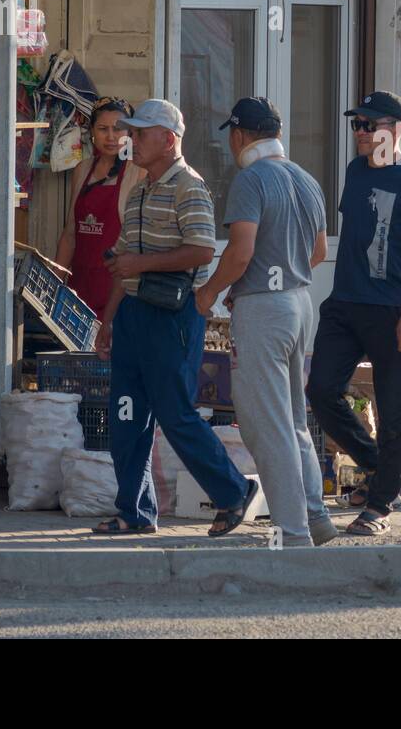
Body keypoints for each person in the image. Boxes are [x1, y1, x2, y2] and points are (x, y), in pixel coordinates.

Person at [93, 99, 256, 537]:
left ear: (167, 139)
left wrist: (138, 266)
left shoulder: (189, 186)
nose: (131, 140)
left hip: (173, 318)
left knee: (175, 414)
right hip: (132, 316)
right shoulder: (140, 188)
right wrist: (108, 321)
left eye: (140, 133)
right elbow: (123, 263)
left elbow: (203, 250)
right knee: (126, 415)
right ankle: (134, 511)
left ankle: (233, 491)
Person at [194, 97, 338, 548]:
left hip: (265, 309)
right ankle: (314, 516)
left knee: (265, 423)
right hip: (300, 302)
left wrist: (210, 291)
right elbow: (317, 253)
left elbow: (240, 252)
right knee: (293, 418)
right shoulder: (306, 178)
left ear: (238, 136)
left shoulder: (250, 178)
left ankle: (293, 533)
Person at [305, 91, 401, 536]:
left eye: (369, 124)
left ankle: (380, 504)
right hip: (345, 304)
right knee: (321, 389)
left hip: (391, 309)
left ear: (396, 131)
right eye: (356, 124)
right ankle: (381, 467)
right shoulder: (355, 171)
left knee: (395, 410)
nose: (360, 132)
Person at [54, 97, 145, 317]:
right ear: (92, 132)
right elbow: (70, 235)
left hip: (119, 291)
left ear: (130, 133)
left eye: (118, 129)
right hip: (79, 289)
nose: (111, 136)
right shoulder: (82, 169)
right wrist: (53, 284)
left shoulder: (139, 172)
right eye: (103, 129)